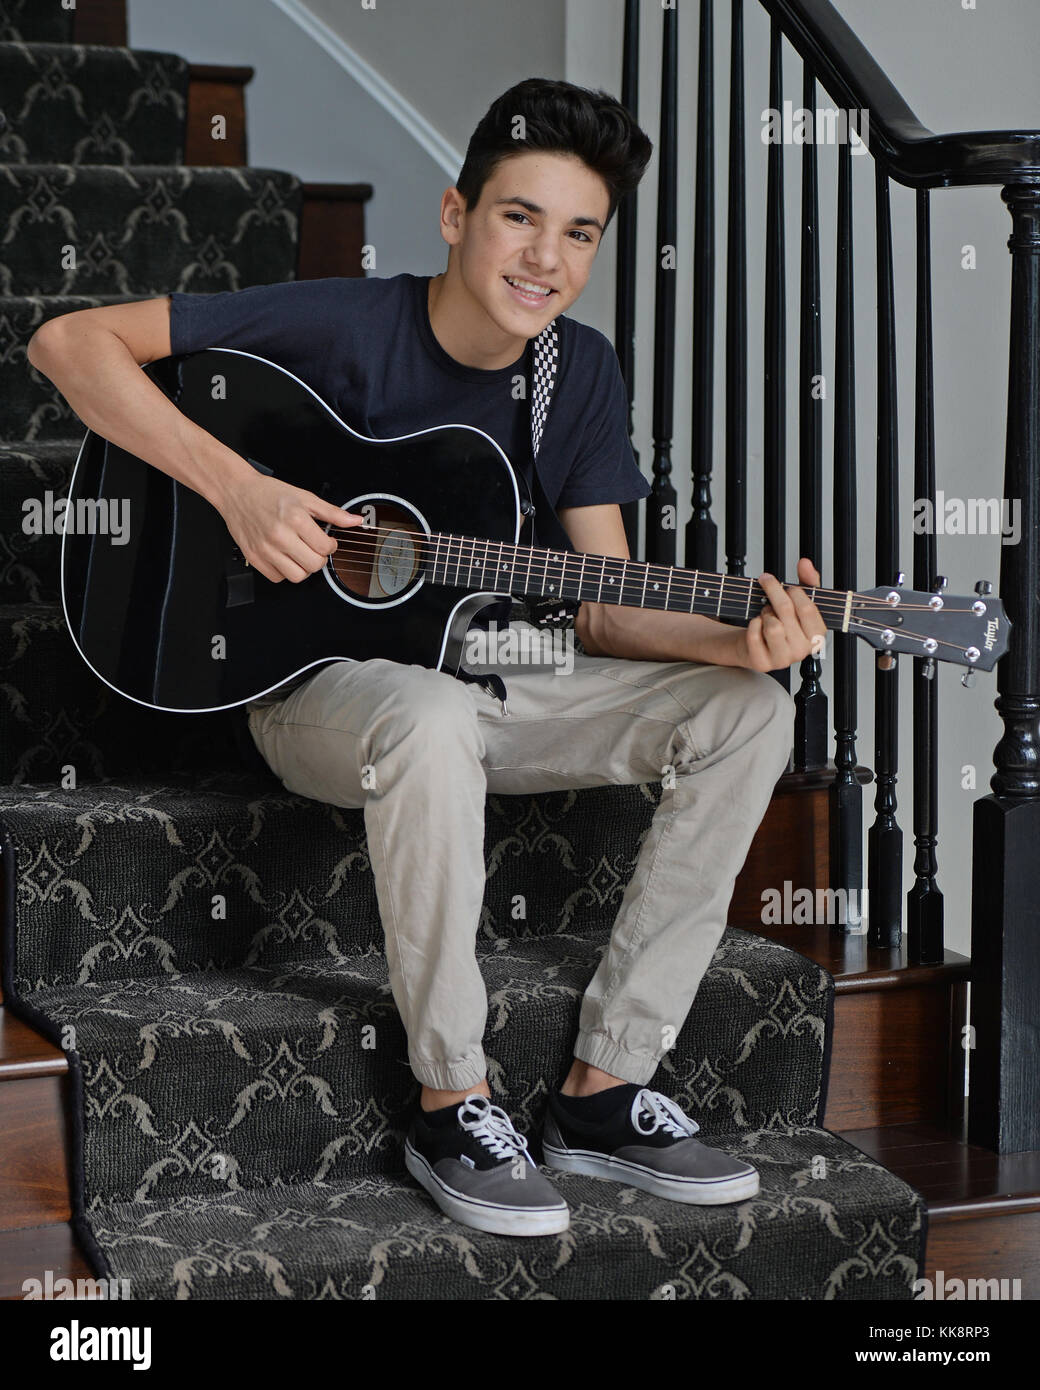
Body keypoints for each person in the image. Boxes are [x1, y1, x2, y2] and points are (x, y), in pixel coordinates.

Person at [28, 78, 827, 1240]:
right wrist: (240, 491)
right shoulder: (344, 323)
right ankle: (454, 1101)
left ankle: (604, 1088)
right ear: (456, 214)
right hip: (317, 691)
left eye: (579, 233)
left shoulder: (575, 374)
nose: (544, 258)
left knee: (749, 708)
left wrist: (740, 636)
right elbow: (68, 342)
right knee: (432, 717)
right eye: (519, 217)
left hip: (490, 671)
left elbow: (603, 609)